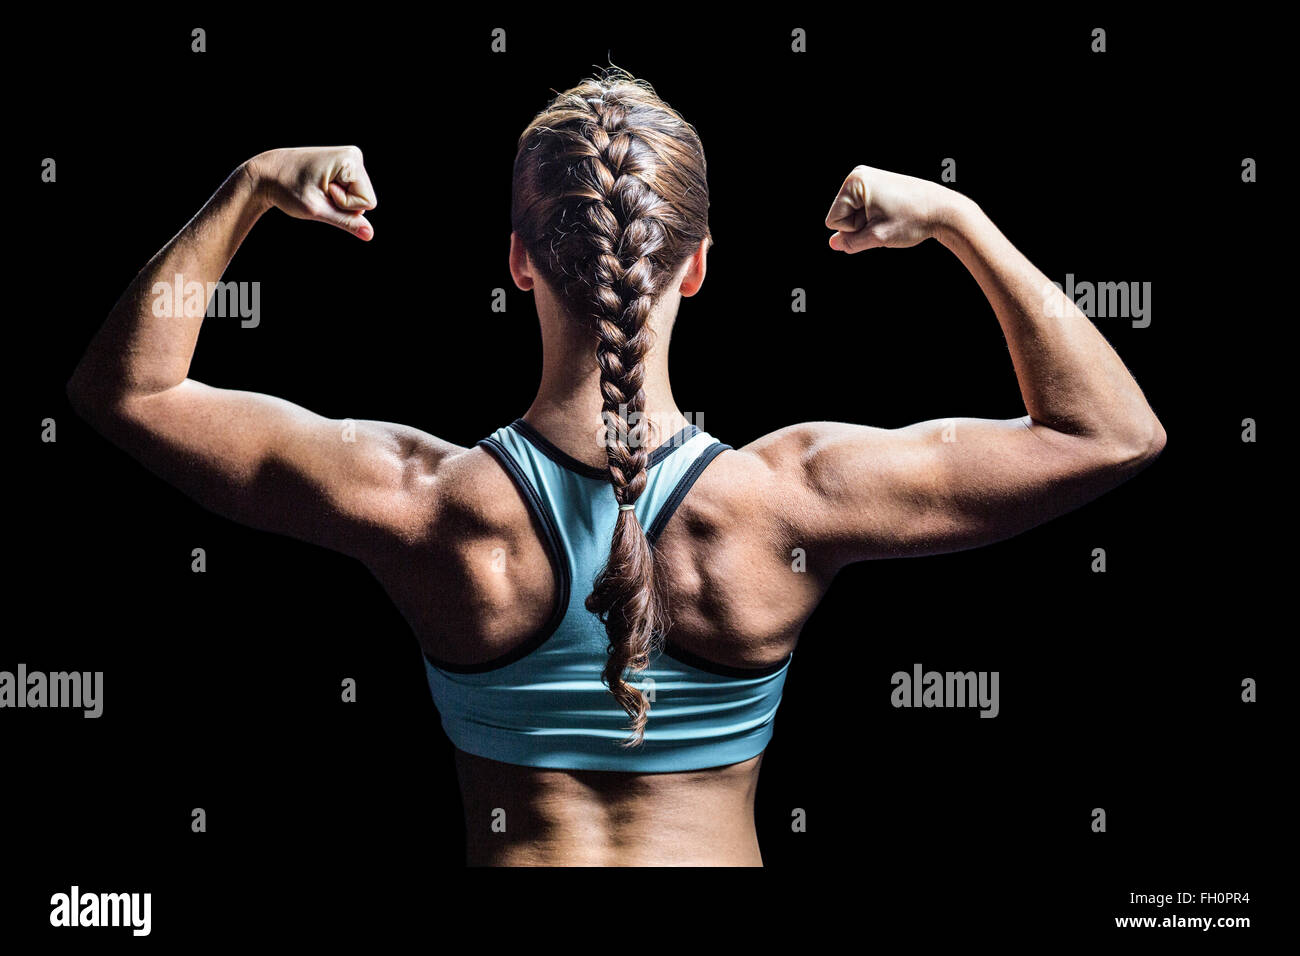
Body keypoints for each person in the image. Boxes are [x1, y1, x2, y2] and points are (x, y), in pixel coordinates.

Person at [66, 70, 1165, 866]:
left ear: (514, 261)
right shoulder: (787, 498)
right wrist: (957, 220)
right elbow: (1107, 432)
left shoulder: (425, 500)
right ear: (694, 268)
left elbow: (131, 393)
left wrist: (251, 185)